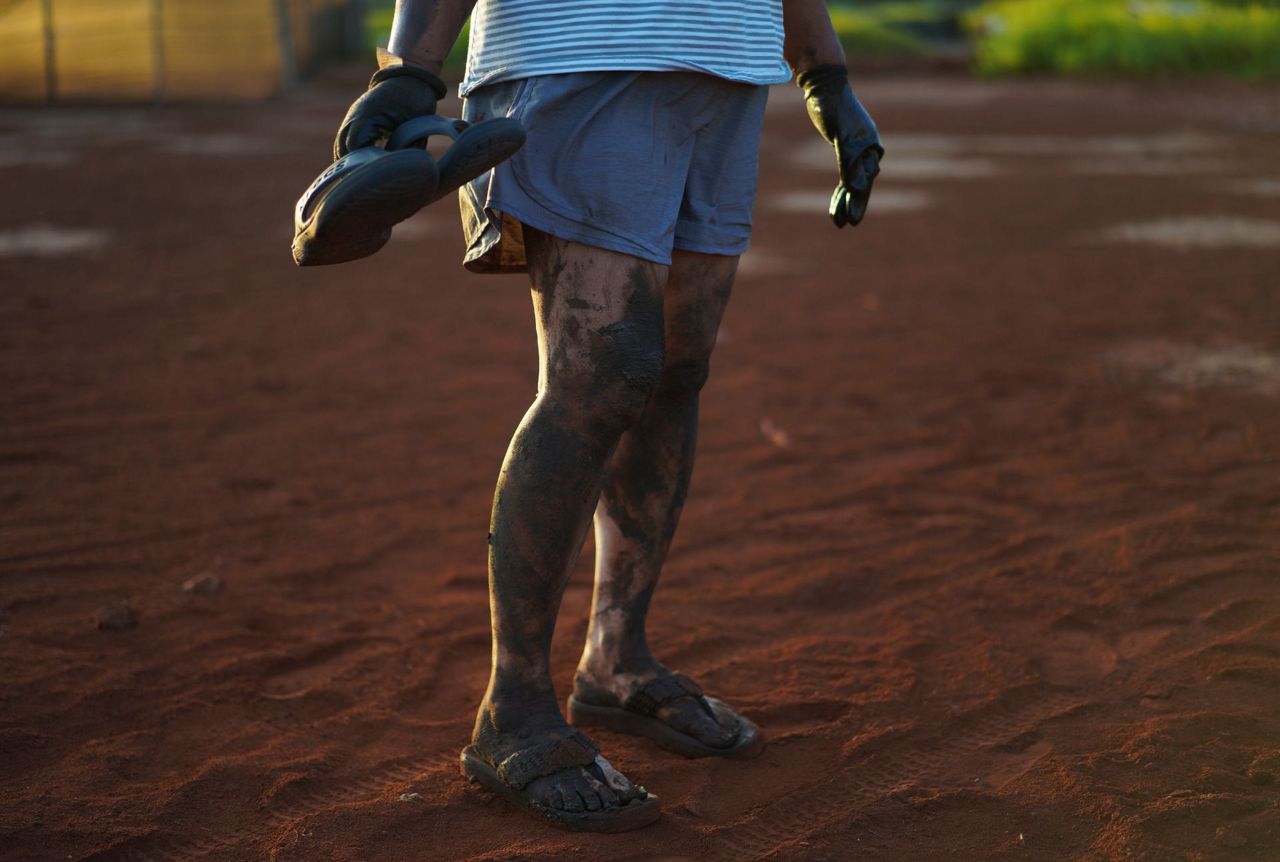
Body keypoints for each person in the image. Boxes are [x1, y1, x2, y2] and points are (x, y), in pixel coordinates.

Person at [332, 0, 882, 832]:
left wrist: (824, 71)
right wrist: (411, 67)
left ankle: (617, 661)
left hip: (727, 68)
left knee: (672, 373)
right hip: (581, 52)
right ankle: (512, 709)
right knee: (602, 377)